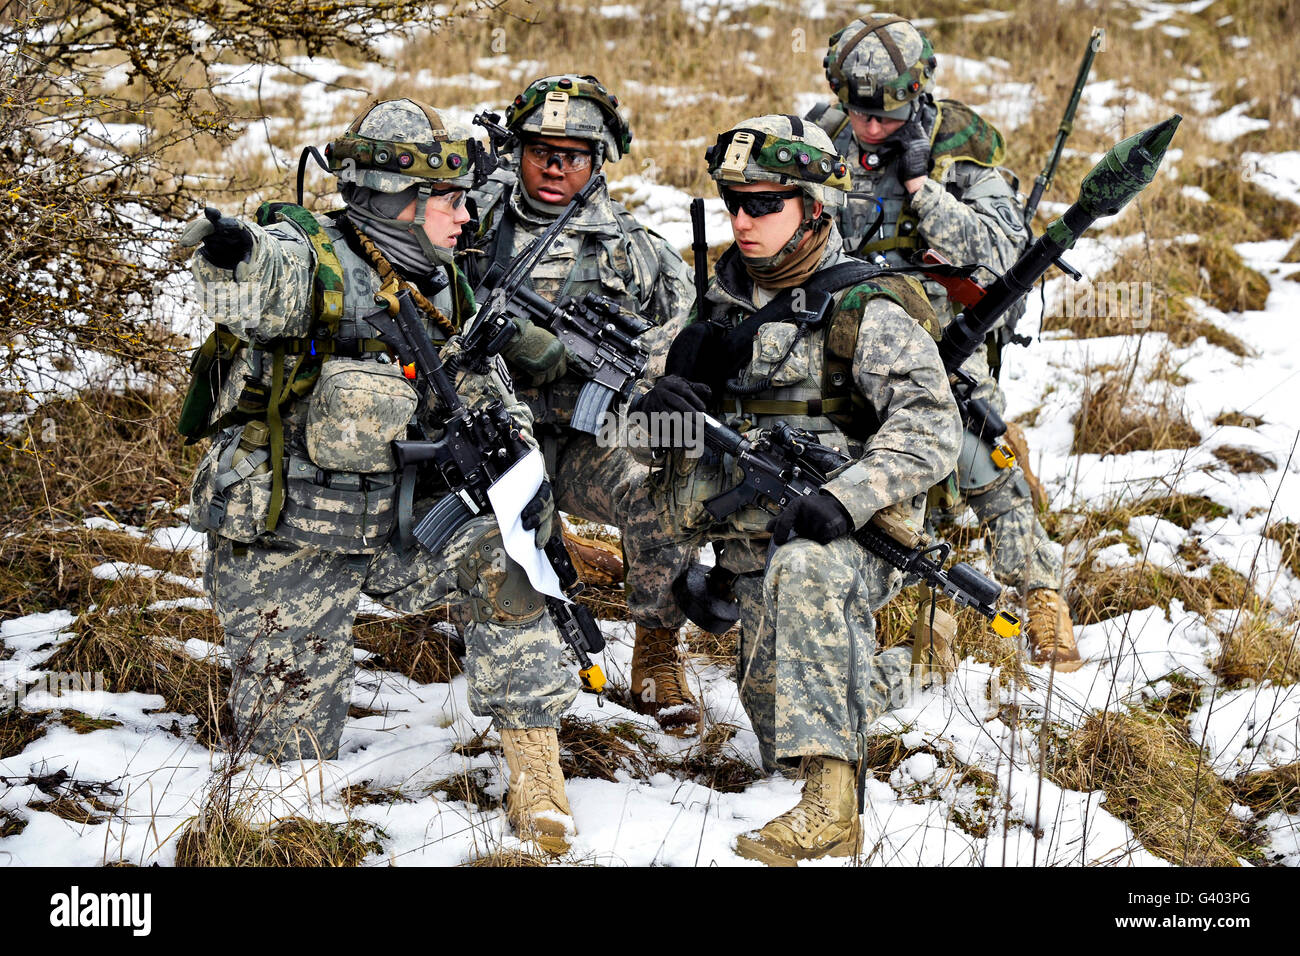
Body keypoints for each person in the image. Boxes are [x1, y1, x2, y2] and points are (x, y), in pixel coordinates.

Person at [177, 98, 579, 854]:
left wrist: (518, 478)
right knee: (290, 763)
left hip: (399, 529)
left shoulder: (445, 285)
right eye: (452, 202)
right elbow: (256, 276)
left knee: (513, 559)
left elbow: (491, 394)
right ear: (403, 201)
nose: (466, 217)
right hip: (289, 540)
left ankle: (536, 768)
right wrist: (230, 248)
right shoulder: (314, 260)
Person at [635, 114, 962, 865]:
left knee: (808, 569)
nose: (743, 221)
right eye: (735, 203)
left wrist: (845, 497)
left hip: (849, 537)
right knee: (780, 739)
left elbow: (931, 430)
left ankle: (832, 813)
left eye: (765, 205)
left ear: (813, 207)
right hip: (750, 546)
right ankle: (906, 662)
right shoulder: (715, 302)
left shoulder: (866, 309)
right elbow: (639, 413)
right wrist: (660, 411)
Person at [806, 14, 1082, 670]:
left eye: (887, 115)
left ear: (919, 91)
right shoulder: (822, 133)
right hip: (840, 329)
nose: (871, 129)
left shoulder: (961, 144)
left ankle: (1040, 590)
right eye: (860, 113)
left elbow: (1002, 251)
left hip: (938, 336)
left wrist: (923, 190)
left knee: (977, 446)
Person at [460, 74, 705, 735]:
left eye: (574, 153)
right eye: (541, 149)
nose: (555, 166)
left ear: (598, 161)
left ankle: (655, 641)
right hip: (494, 432)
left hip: (587, 439)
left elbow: (691, 331)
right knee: (497, 546)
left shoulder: (632, 249)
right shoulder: (471, 223)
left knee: (666, 497)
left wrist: (640, 370)